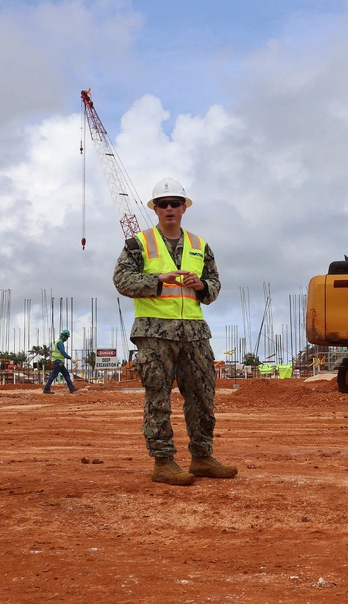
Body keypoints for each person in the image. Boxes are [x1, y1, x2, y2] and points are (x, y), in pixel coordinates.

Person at [113, 177, 238, 486]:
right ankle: (163, 462)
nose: (169, 208)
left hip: (194, 333)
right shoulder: (138, 244)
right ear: (155, 209)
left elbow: (215, 285)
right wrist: (159, 279)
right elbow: (122, 281)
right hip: (155, 333)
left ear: (184, 208)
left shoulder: (200, 245)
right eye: (162, 204)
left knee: (203, 397)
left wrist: (202, 286)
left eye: (174, 203)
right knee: (158, 398)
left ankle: (202, 457)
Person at [43, 330, 77, 394]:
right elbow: (62, 352)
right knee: (53, 375)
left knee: (66, 374)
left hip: (59, 362)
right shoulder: (60, 343)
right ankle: (46, 389)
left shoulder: (57, 342)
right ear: (64, 336)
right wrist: (70, 358)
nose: (67, 339)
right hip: (59, 362)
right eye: (66, 337)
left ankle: (71, 388)